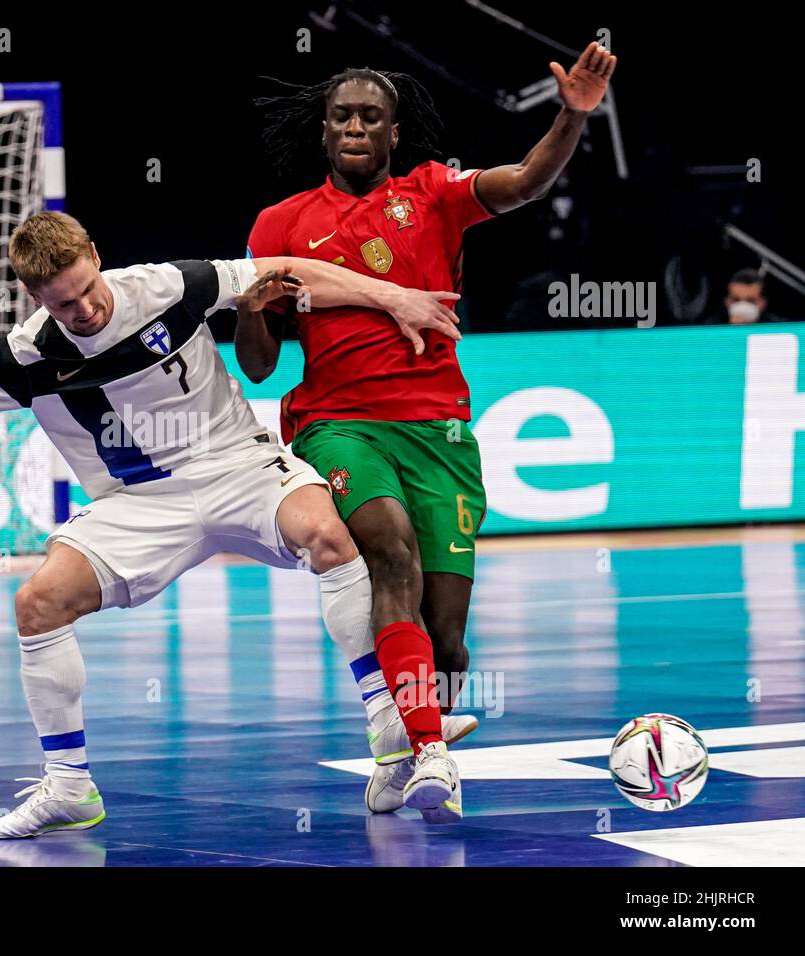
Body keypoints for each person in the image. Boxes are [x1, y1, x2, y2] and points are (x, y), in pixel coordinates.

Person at [0, 211, 476, 836]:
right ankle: (68, 786)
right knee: (37, 602)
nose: (86, 311)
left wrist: (395, 295)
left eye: (87, 290)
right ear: (36, 298)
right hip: (136, 506)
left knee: (328, 534)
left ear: (96, 257)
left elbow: (285, 268)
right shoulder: (26, 353)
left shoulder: (166, 286)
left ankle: (388, 728)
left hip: (235, 465)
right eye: (64, 305)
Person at [239, 42, 618, 817]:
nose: (354, 126)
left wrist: (573, 118)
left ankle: (402, 746)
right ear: (322, 131)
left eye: (370, 117)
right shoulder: (280, 225)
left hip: (439, 432)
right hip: (339, 426)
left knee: (447, 642)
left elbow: (522, 183)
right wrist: (247, 309)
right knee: (388, 550)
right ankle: (432, 755)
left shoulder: (434, 193)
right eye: (341, 115)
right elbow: (257, 366)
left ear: (394, 132)